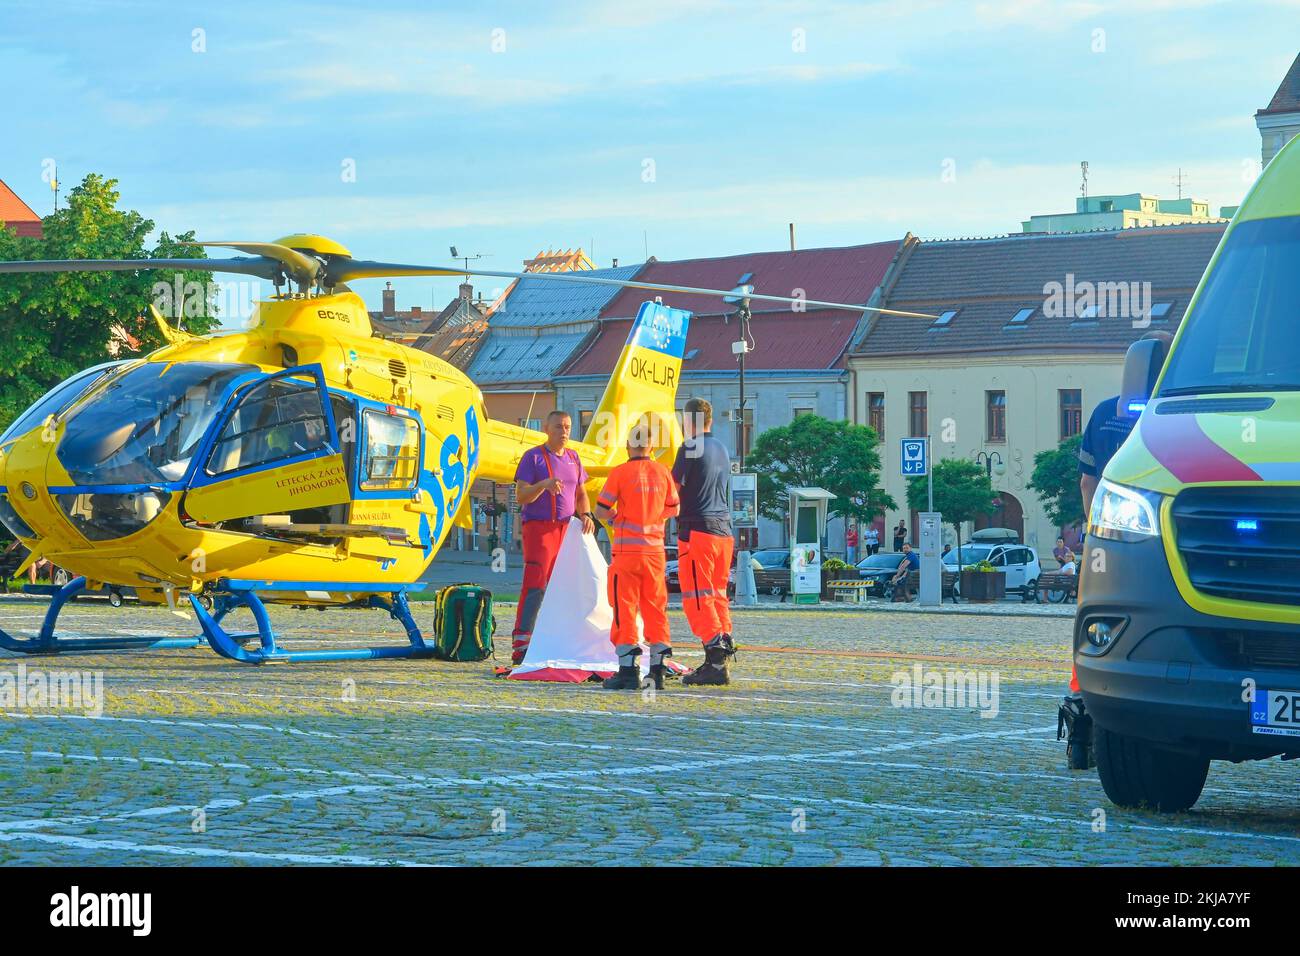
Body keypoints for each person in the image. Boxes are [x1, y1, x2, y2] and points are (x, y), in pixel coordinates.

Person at [1061, 330, 1174, 769]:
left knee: (1097, 639)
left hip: (1108, 546)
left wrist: (1098, 532)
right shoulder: (1180, 414)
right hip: (1165, 552)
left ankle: (1081, 734)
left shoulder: (1106, 413)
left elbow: (1087, 482)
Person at [595, 419, 680, 690]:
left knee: (625, 609)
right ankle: (657, 670)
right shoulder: (663, 472)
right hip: (654, 552)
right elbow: (674, 508)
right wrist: (655, 520)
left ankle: (628, 671)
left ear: (628, 445)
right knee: (656, 608)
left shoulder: (619, 473)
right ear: (652, 446)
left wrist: (615, 519)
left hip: (626, 552)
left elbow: (601, 508)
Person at [510, 410, 595, 665]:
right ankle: (522, 644)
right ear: (546, 428)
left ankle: (558, 639)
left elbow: (581, 493)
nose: (565, 432)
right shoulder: (533, 457)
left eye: (568, 427)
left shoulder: (574, 458)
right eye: (559, 427)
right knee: (537, 584)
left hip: (567, 529)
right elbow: (521, 496)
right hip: (540, 528)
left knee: (565, 586)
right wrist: (542, 485)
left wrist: (587, 514)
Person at [672, 398, 738, 687]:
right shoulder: (721, 448)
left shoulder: (689, 448)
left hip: (698, 532)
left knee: (697, 598)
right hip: (724, 532)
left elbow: (671, 494)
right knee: (717, 595)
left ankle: (714, 662)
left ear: (689, 421)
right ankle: (721, 650)